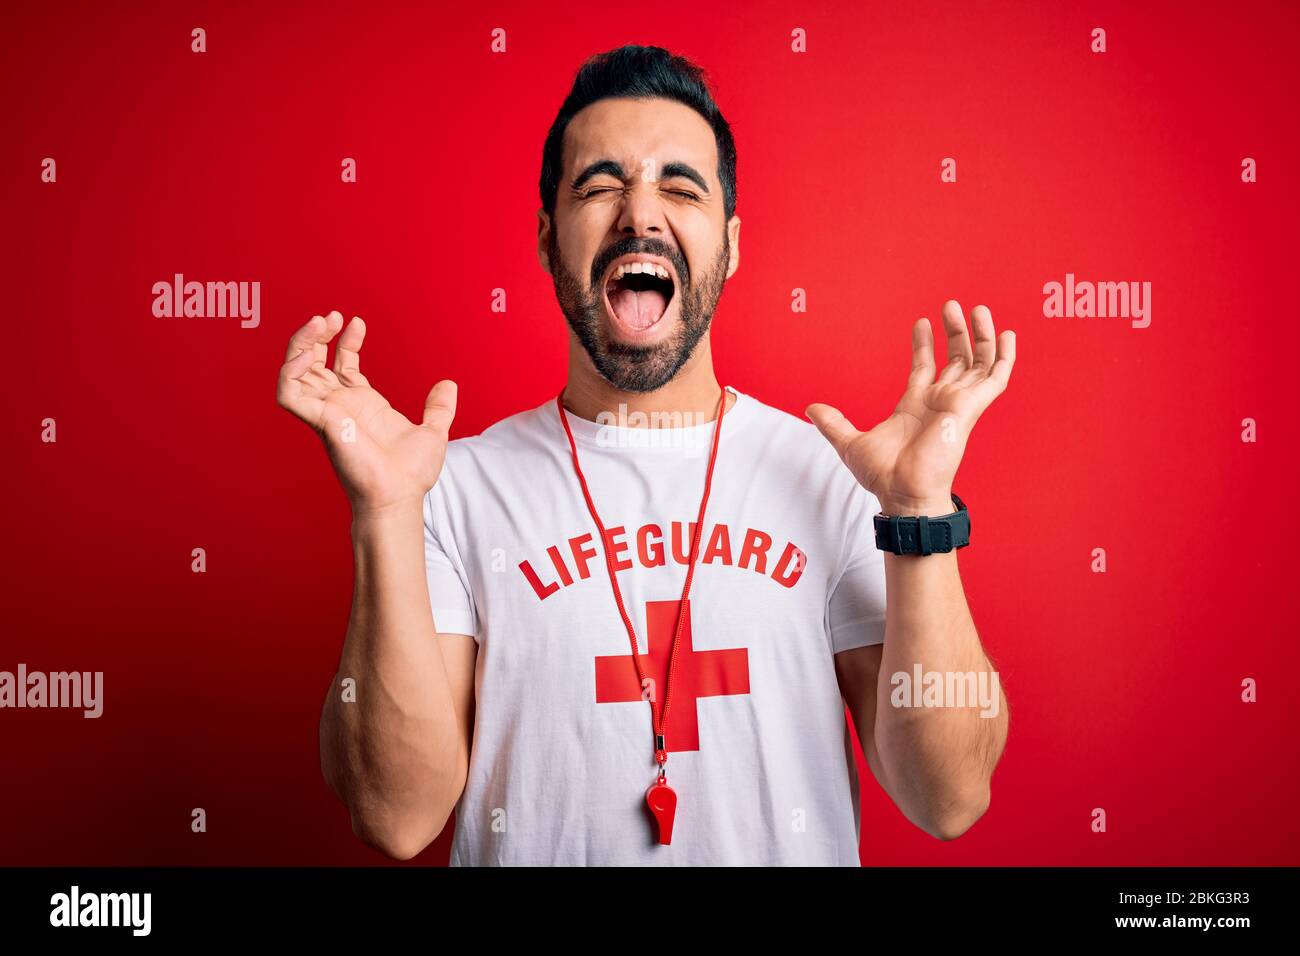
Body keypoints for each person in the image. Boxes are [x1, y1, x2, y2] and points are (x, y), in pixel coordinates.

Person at [276, 45, 1014, 866]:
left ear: (730, 245)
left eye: (680, 186)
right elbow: (395, 813)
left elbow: (948, 797)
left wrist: (917, 515)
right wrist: (383, 514)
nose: (640, 214)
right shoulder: (449, 490)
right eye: (598, 186)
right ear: (549, 240)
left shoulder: (830, 480)